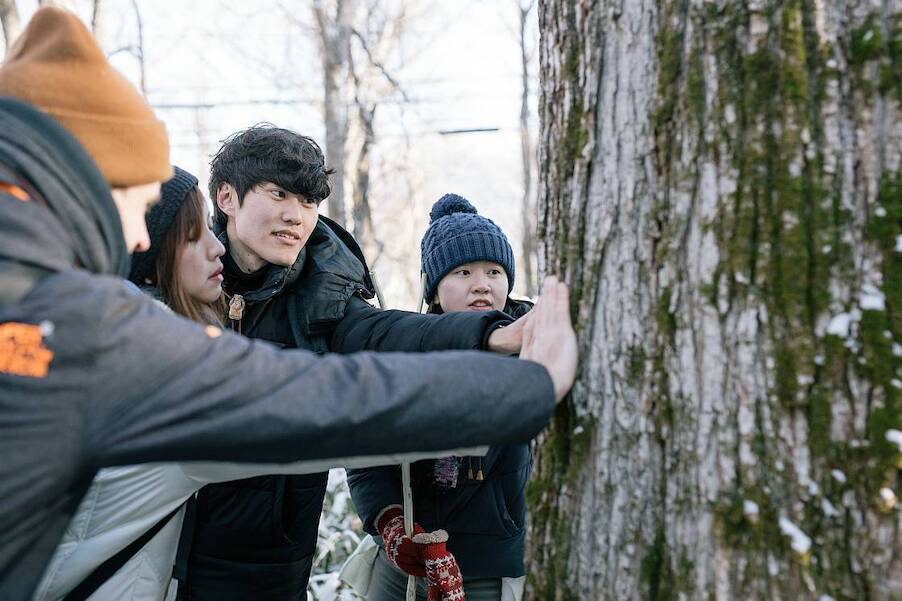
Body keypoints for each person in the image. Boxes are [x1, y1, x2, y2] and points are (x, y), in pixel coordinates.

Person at [0, 8, 578, 601]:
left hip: (264, 569)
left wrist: (486, 335)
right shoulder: (107, 324)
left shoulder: (313, 294)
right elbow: (325, 402)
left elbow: (380, 340)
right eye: (138, 201)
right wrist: (533, 386)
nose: (142, 235)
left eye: (307, 200)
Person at [177, 126, 539, 601]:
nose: (294, 215)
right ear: (227, 197)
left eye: (308, 202)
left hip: (273, 553)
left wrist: (490, 333)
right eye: (279, 194)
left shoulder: (324, 293)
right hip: (171, 542)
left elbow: (388, 334)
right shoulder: (180, 273)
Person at [346, 194, 536, 601]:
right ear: (433, 291)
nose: (482, 283)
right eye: (463, 272)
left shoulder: (534, 352)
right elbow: (365, 458)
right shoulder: (404, 354)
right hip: (402, 565)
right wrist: (392, 524)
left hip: (487, 568)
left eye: (494, 271)